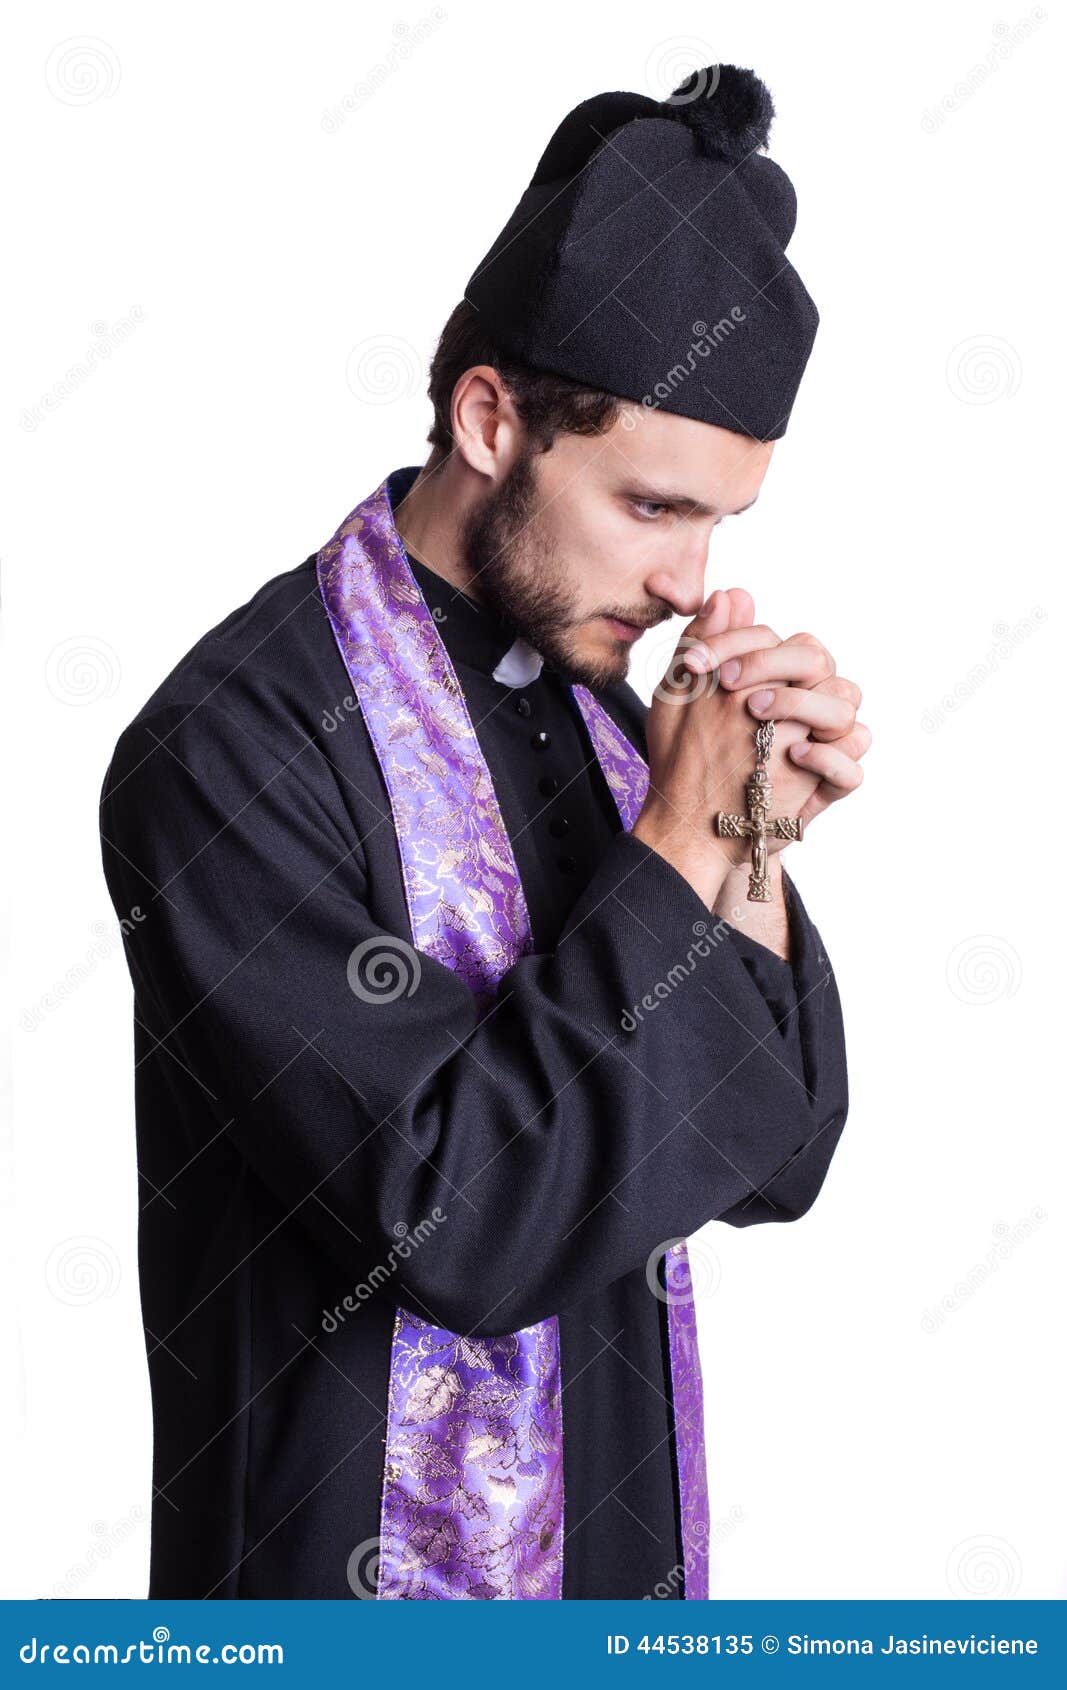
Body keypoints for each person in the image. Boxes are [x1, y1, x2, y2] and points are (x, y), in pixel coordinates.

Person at [99, 62, 869, 1601]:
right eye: (653, 507)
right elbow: (454, 1227)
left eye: (722, 524)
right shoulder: (232, 747)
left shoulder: (599, 718)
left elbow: (775, 1154)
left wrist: (749, 837)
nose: (687, 581)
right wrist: (671, 842)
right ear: (490, 416)